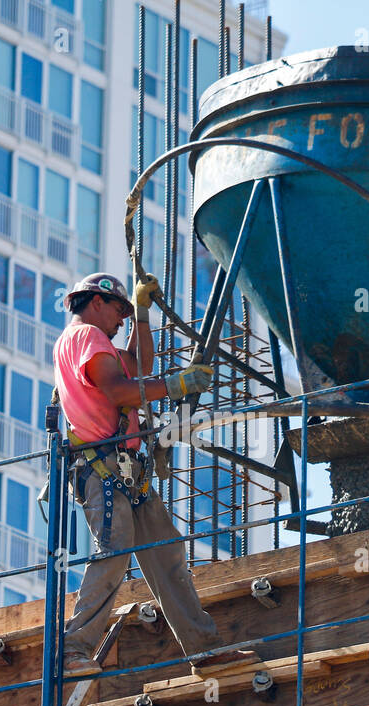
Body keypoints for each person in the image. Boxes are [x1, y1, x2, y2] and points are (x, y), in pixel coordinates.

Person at [53, 272, 260, 678]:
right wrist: (175, 384)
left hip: (126, 472)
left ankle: (203, 648)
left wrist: (143, 315)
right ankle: (73, 646)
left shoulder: (91, 343)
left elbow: (138, 368)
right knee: (114, 550)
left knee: (165, 555)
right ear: (95, 303)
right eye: (120, 311)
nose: (121, 321)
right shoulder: (85, 338)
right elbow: (122, 391)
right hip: (106, 468)